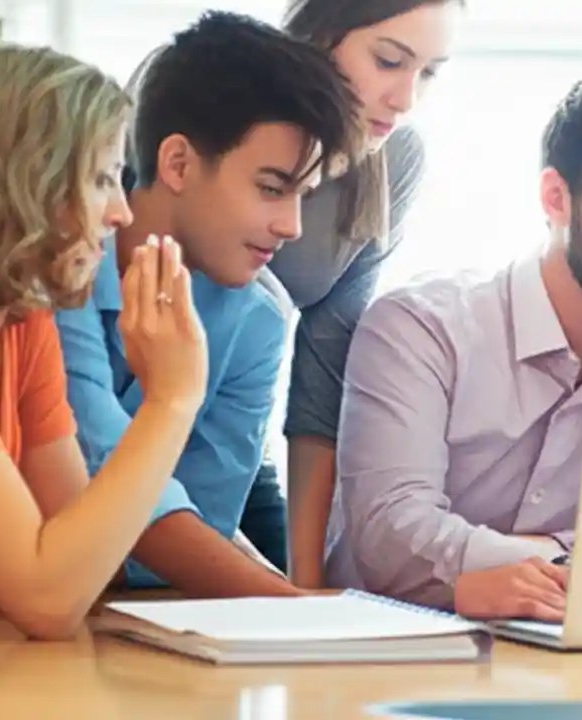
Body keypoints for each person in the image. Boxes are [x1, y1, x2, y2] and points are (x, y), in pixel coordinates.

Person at [328, 74, 582, 618]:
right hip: (390, 656)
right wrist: (574, 565)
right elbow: (391, 536)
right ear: (557, 197)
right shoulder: (420, 328)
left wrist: (536, 568)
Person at [0, 44, 207, 638]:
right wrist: (171, 401)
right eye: (100, 179)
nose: (122, 212)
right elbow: (50, 599)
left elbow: (86, 567)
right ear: (19, 179)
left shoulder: (20, 312)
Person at [55, 11, 356, 595]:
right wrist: (300, 611)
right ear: (178, 163)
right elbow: (94, 483)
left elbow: (194, 529)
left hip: (121, 616)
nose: (292, 226)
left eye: (303, 196)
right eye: (271, 188)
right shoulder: (61, 272)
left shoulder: (258, 322)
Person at [262, 0, 464, 587]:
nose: (406, 100)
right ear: (321, 35)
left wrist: (305, 579)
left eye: (427, 73)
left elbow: (325, 368)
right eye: (388, 61)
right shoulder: (217, 107)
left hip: (234, 456)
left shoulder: (392, 156)